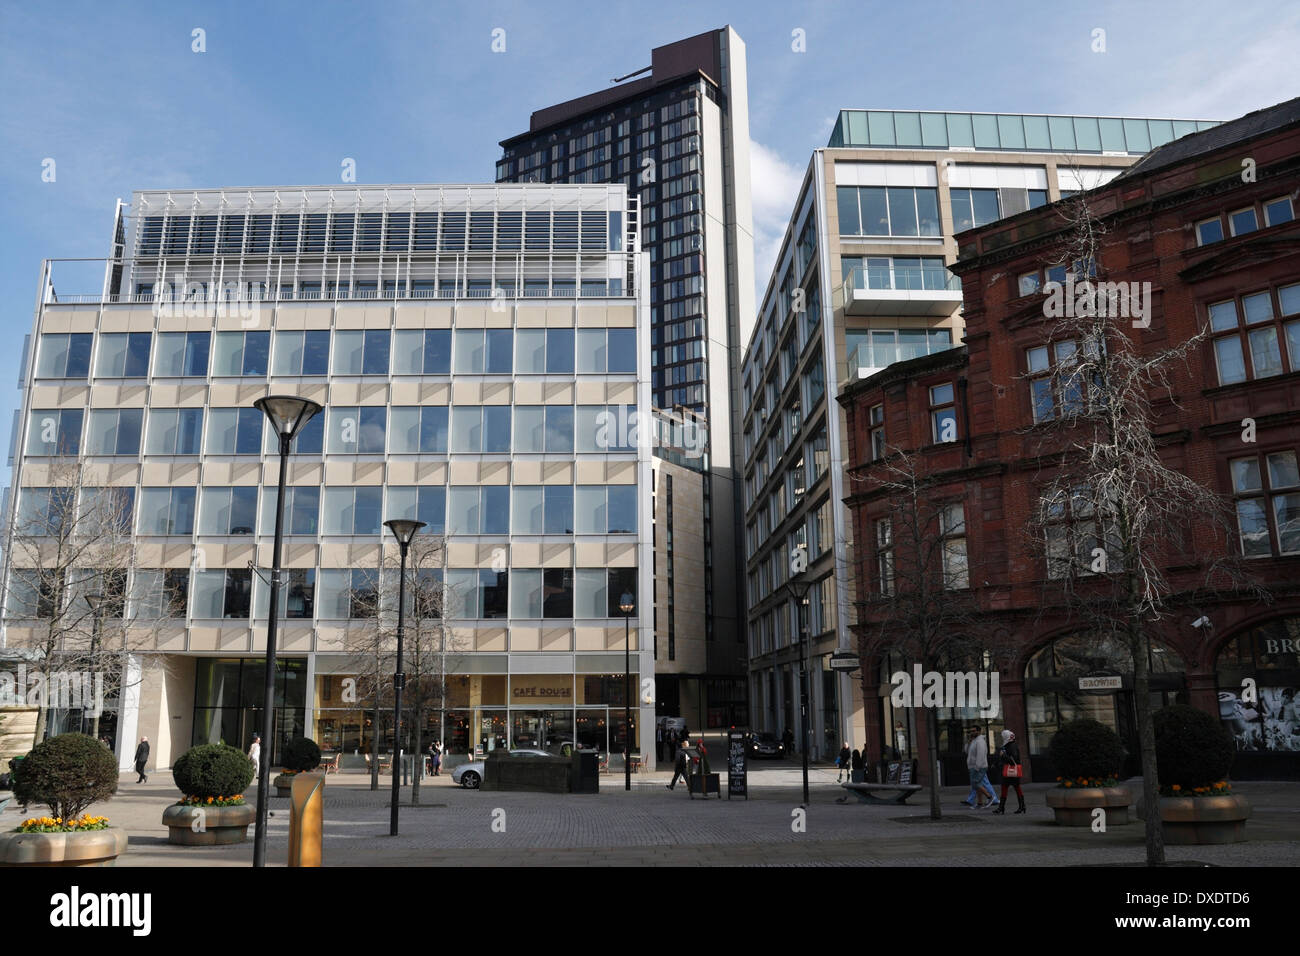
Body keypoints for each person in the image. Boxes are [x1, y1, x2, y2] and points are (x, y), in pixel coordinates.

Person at [993, 730, 1026, 814]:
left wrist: (1003, 755)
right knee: (1013, 788)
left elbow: (1013, 760)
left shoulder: (1011, 746)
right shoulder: (1011, 745)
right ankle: (1021, 806)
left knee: (1010, 788)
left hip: (1010, 771)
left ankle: (1002, 808)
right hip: (1010, 772)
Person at [963, 727, 997, 809]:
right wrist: (968, 742)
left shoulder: (980, 741)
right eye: (971, 731)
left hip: (979, 766)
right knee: (977, 785)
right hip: (973, 766)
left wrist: (977, 767)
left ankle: (990, 797)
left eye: (974, 731)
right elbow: (966, 751)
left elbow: (980, 755)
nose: (972, 732)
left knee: (976, 784)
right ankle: (980, 803)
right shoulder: (974, 741)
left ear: (979, 731)